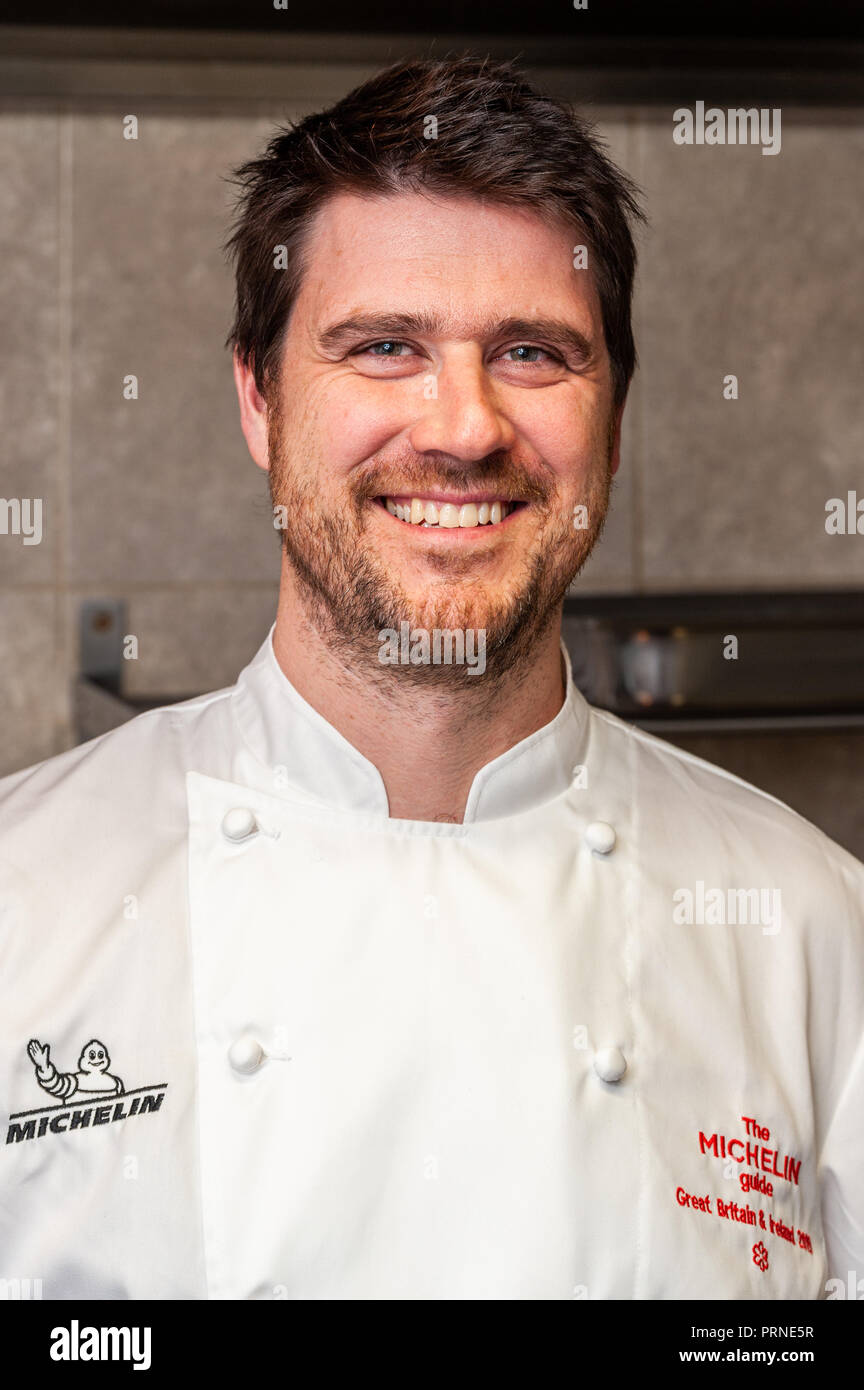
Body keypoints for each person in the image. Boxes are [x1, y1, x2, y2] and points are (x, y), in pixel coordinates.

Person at [1, 55, 861, 1301]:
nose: (463, 427)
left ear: (613, 420)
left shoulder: (811, 926)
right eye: (386, 346)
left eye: (532, 353)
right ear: (258, 396)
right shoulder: (24, 901)